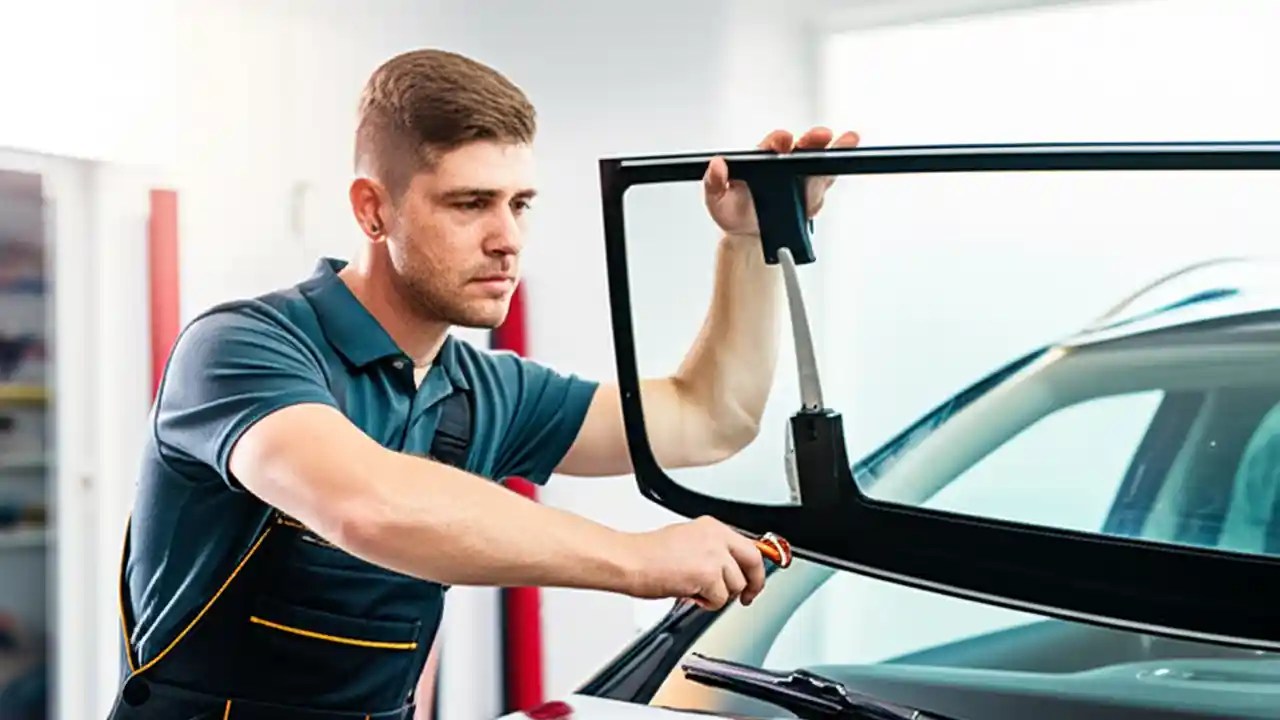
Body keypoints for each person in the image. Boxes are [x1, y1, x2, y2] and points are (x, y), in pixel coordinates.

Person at [109, 48, 858, 720]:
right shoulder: (241, 349)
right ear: (374, 210)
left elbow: (707, 417)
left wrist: (750, 239)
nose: (508, 238)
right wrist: (636, 559)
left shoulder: (483, 390)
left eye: (519, 203)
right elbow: (370, 504)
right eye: (470, 204)